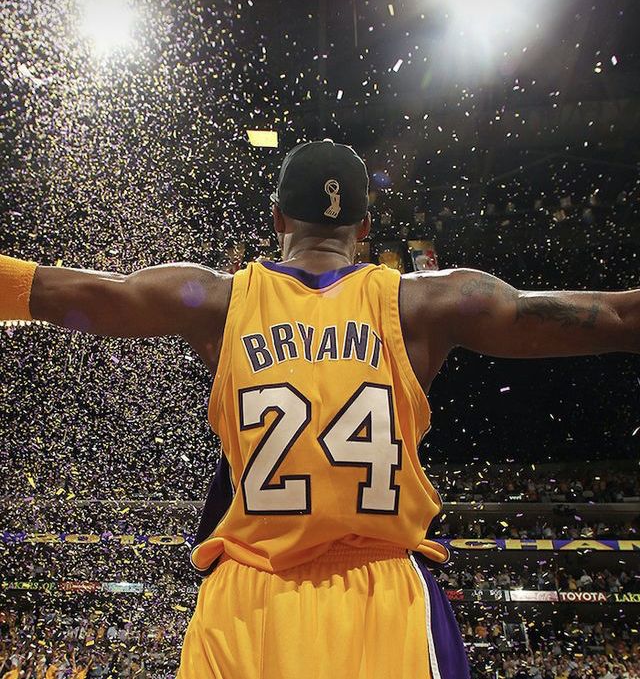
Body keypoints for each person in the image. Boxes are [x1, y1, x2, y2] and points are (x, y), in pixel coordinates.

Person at [1, 139, 638, 679]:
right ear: (364, 229)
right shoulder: (423, 305)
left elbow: (79, 292)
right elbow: (607, 315)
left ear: (277, 218)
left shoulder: (216, 303)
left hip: (246, 604)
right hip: (382, 596)